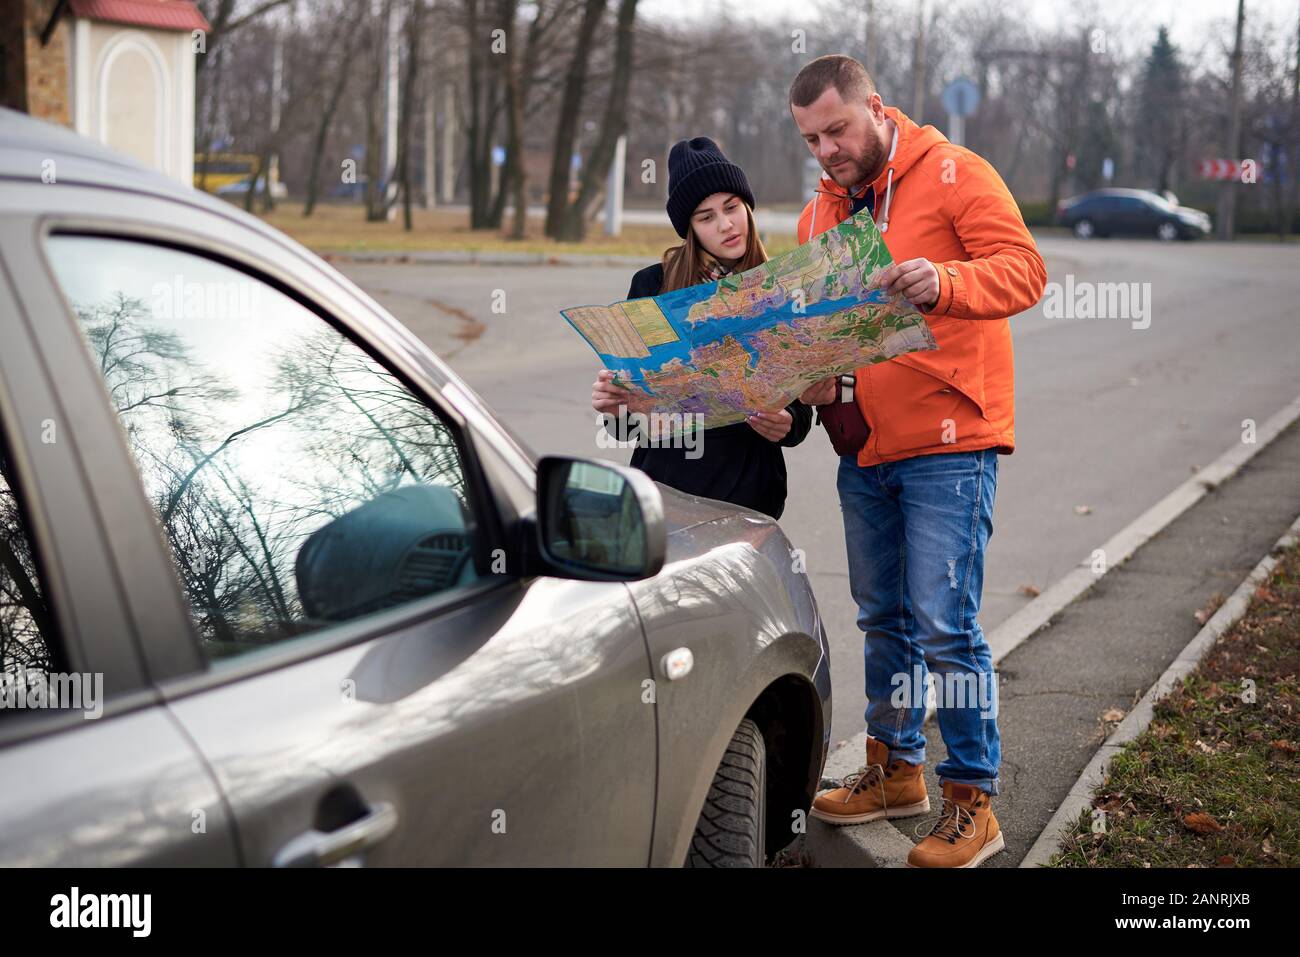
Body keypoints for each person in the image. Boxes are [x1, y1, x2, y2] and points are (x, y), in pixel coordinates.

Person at [790, 55, 1047, 868]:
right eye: (810, 138)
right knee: (883, 618)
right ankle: (896, 768)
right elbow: (821, 337)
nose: (827, 149)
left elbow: (1025, 271)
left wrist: (945, 280)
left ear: (875, 106)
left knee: (945, 622)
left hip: (951, 444)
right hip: (863, 445)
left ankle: (973, 800)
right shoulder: (815, 221)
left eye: (837, 129)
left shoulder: (954, 173)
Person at [590, 136, 812, 521]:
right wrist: (614, 406)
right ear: (689, 228)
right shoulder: (651, 289)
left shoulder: (777, 287)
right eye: (706, 217)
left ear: (747, 207)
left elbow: (799, 405)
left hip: (749, 498)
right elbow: (626, 427)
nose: (726, 225)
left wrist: (788, 423)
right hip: (666, 495)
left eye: (731, 207)